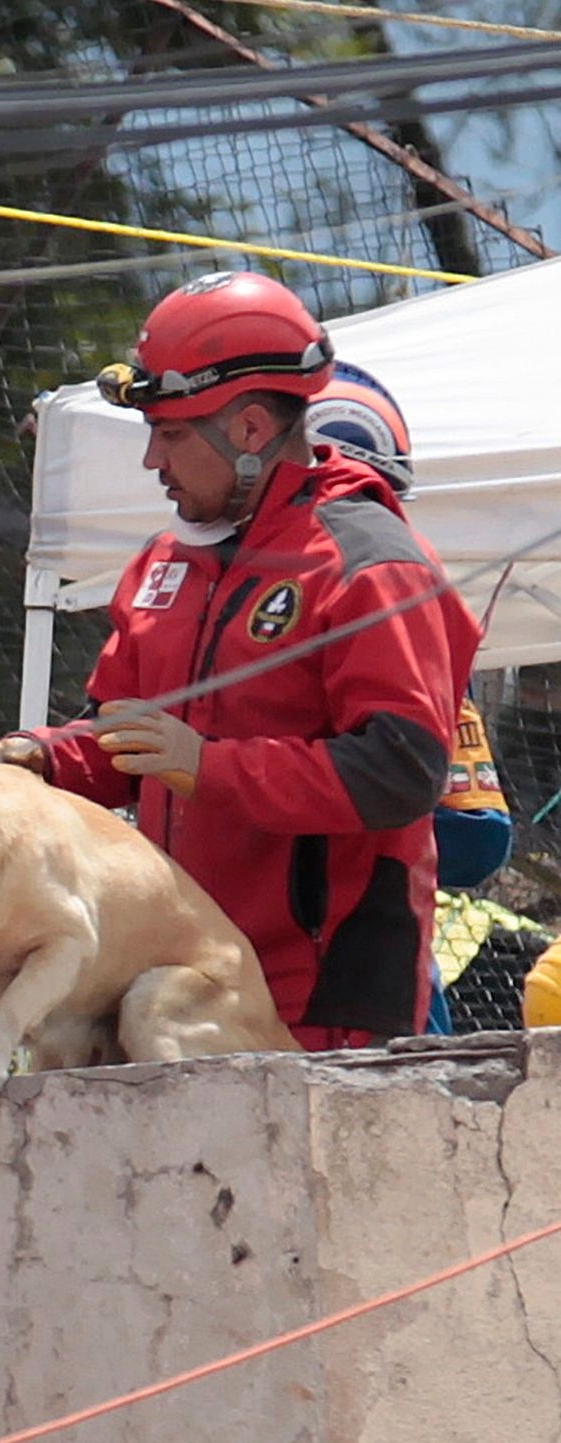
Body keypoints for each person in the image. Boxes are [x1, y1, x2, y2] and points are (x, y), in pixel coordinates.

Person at [0, 271, 480, 1047]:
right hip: (178, 976)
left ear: (250, 429)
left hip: (321, 992)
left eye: (173, 433)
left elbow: (401, 771)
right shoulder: (164, 563)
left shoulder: (369, 563)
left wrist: (206, 767)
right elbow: (121, 736)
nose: (154, 459)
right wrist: (39, 760)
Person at [302, 361, 515, 1035]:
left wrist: (299, 809)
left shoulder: (407, 617)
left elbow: (479, 838)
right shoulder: (205, 601)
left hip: (372, 990)